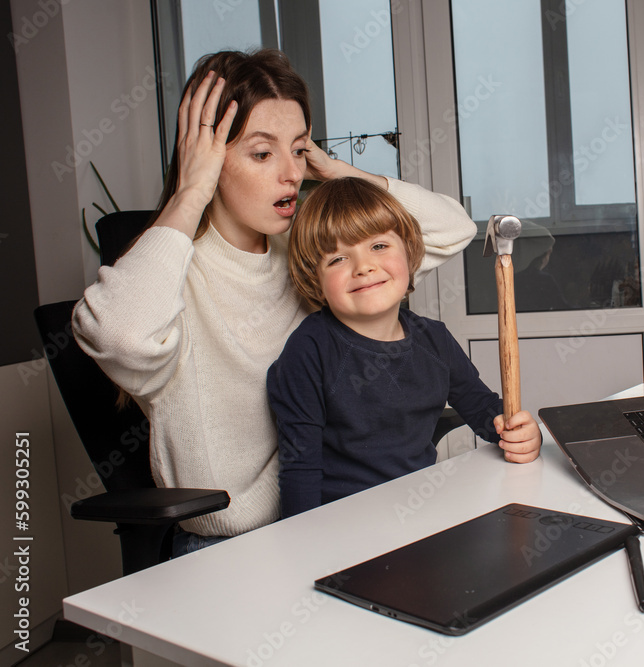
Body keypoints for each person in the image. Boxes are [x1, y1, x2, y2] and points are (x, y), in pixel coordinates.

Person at [72, 49, 476, 555]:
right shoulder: (175, 277)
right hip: (236, 549)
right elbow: (118, 335)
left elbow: (453, 229)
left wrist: (339, 174)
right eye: (262, 154)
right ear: (208, 160)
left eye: (299, 149)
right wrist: (191, 191)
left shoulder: (310, 254)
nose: (291, 173)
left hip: (341, 518)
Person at [266, 177, 542, 518]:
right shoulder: (308, 351)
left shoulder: (434, 339)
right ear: (315, 279)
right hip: (343, 524)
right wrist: (302, 540)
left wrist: (519, 433)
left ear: (410, 254)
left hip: (421, 510)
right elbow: (300, 471)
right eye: (337, 259)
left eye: (379, 246)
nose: (363, 267)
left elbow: (483, 409)